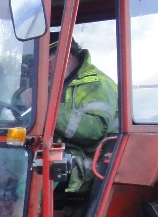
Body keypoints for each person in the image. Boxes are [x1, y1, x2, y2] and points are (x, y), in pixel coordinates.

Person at [48, 34, 118, 194]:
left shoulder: (98, 84)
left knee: (38, 166)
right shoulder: (54, 83)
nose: (45, 69)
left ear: (66, 56)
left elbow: (93, 131)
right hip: (57, 150)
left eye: (47, 61)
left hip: (91, 162)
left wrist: (47, 111)